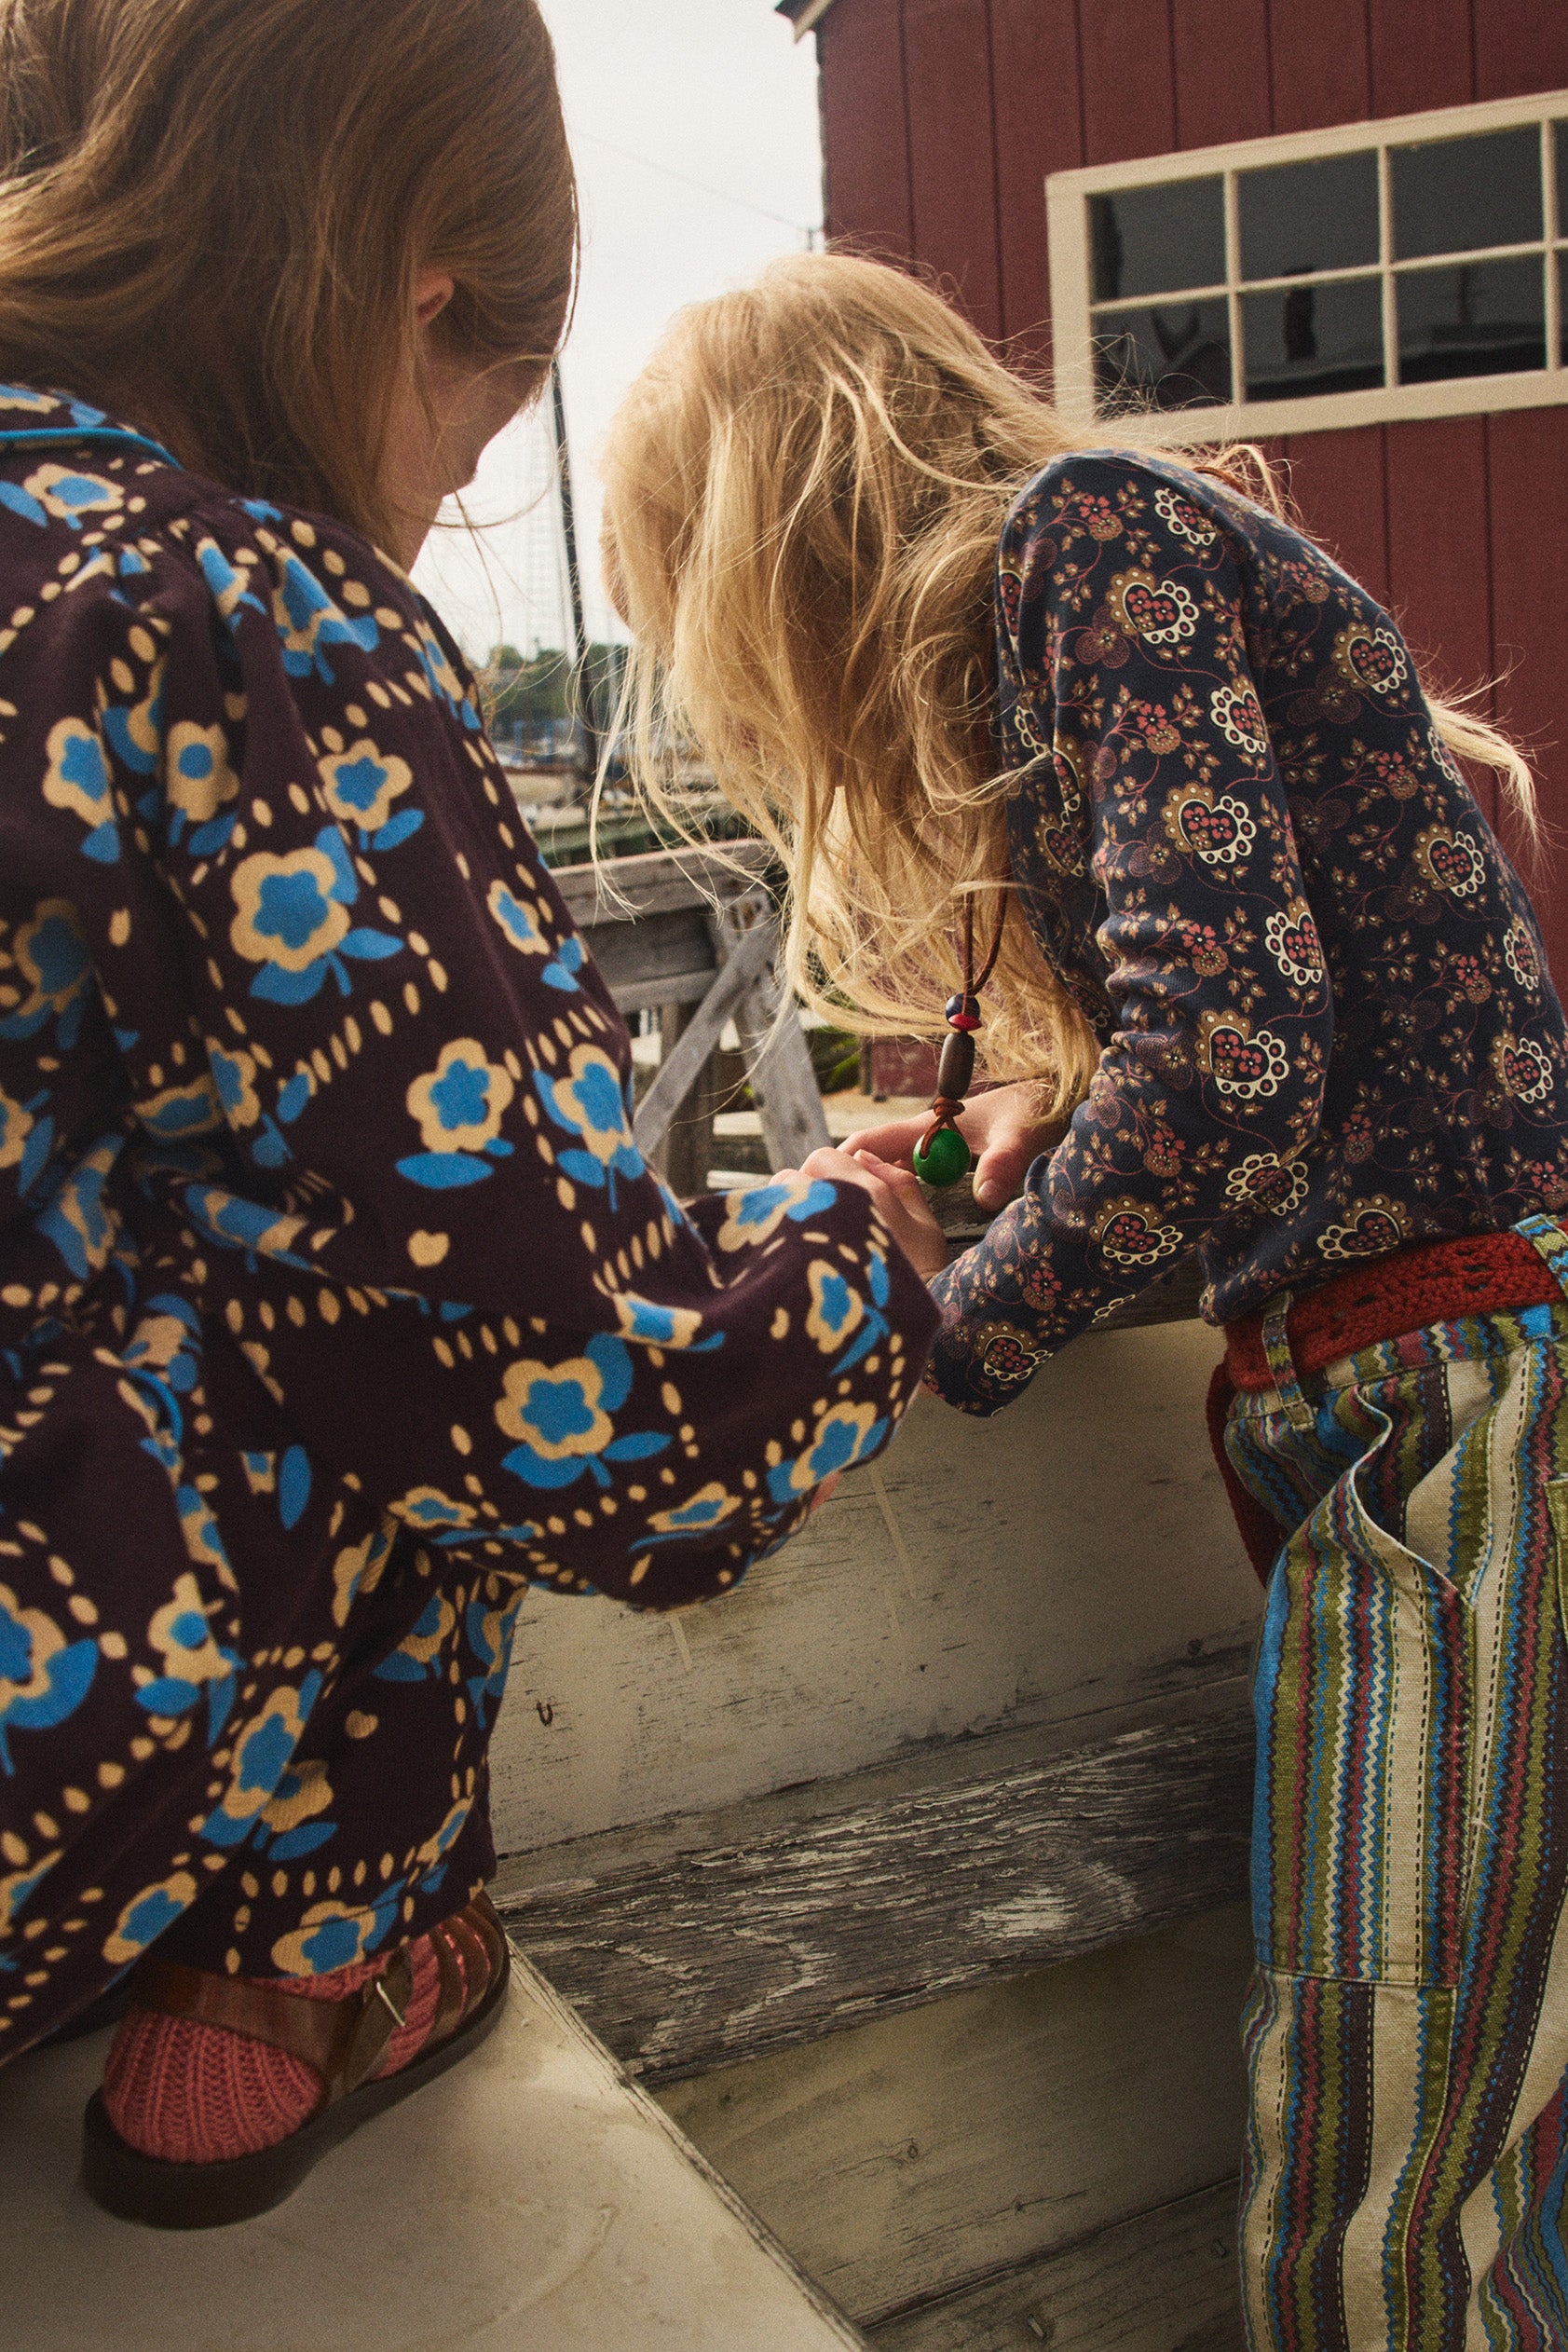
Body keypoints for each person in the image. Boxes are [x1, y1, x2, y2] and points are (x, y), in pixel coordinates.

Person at [0, 7, 939, 2229]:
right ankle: (308, 1970)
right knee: (400, 1286)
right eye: (476, 436)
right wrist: (853, 1250)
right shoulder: (227, 604)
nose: (421, 515)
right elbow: (600, 1429)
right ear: (421, 289)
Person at [601, 249, 1568, 2349]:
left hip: (1457, 1393)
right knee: (1464, 2130)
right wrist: (1029, 1136)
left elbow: (1229, 1059)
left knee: (1381, 2183)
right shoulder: (1097, 576)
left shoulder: (1085, 535)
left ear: (781, 522)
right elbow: (1252, 1030)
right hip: (1424, 1383)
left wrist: (943, 1329)